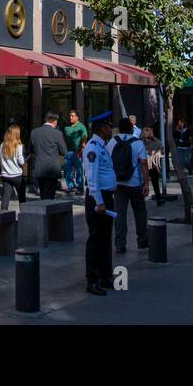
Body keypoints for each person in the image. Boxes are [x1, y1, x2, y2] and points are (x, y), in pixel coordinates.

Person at [82, 112, 118, 296]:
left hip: (106, 197)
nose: (110, 129)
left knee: (105, 238)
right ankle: (92, 279)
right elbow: (92, 177)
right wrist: (99, 201)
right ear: (102, 129)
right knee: (96, 239)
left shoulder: (102, 147)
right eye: (108, 126)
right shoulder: (93, 148)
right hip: (98, 199)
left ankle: (105, 276)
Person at [108, 116, 150, 253]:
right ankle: (142, 241)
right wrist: (146, 183)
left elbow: (108, 162)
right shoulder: (137, 142)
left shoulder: (112, 142)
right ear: (131, 128)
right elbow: (144, 163)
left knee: (119, 214)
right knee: (140, 212)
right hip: (134, 183)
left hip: (118, 183)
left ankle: (120, 244)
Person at [29, 112, 68, 200]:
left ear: (45, 120)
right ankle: (49, 212)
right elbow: (64, 151)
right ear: (55, 121)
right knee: (50, 195)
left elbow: (30, 150)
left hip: (39, 168)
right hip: (52, 169)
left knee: (43, 194)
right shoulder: (57, 133)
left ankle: (44, 211)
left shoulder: (34, 132)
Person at [0, 124, 27, 210]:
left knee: (5, 199)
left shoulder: (2, 145)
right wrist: (26, 159)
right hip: (17, 175)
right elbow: (21, 161)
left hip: (5, 175)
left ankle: (2, 218)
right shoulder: (19, 146)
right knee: (22, 198)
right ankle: (24, 215)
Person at [63, 110, 88, 194]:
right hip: (68, 152)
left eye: (72, 116)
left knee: (79, 170)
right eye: (70, 116)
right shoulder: (66, 127)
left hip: (78, 151)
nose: (71, 117)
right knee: (67, 170)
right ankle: (70, 186)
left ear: (77, 117)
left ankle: (80, 187)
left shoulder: (81, 126)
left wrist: (82, 149)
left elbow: (84, 138)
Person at [143, 125, 169, 205]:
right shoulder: (140, 142)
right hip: (143, 165)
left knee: (155, 183)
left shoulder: (156, 141)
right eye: (146, 131)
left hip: (153, 165)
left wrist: (156, 155)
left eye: (149, 131)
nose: (148, 133)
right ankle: (141, 198)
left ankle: (158, 198)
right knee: (143, 182)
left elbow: (163, 150)